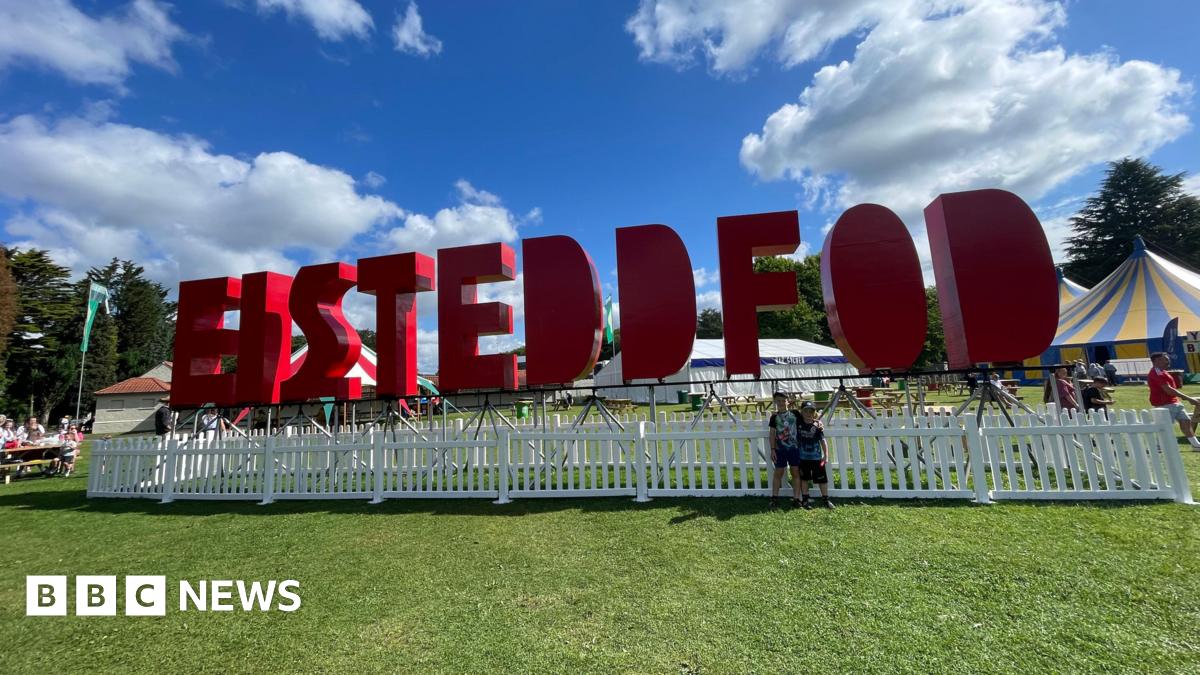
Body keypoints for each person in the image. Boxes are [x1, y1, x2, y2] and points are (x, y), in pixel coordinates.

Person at [1147, 352, 1200, 449]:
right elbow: (1168, 390)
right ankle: (1159, 446)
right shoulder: (1156, 373)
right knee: (1165, 427)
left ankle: (1195, 445)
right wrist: (1188, 398)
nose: (1168, 361)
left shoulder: (1163, 371)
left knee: (1186, 422)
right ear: (1157, 361)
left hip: (1174, 402)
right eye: (1165, 359)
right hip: (1164, 404)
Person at [767, 392, 805, 508]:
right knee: (778, 472)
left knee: (795, 472)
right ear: (775, 402)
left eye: (783, 400)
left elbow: (807, 422)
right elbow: (772, 434)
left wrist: (818, 423)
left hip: (794, 448)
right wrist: (773, 449)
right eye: (778, 401)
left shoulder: (795, 414)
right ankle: (774, 498)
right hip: (780, 449)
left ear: (788, 401)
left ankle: (796, 498)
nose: (781, 403)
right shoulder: (774, 417)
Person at [794, 402, 834, 510]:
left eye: (811, 411)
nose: (808, 413)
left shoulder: (817, 426)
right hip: (803, 458)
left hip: (816, 458)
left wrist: (826, 455)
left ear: (814, 413)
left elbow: (823, 441)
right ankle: (805, 499)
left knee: (822, 479)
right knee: (804, 479)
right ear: (801, 412)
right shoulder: (798, 424)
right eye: (805, 411)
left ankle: (825, 499)